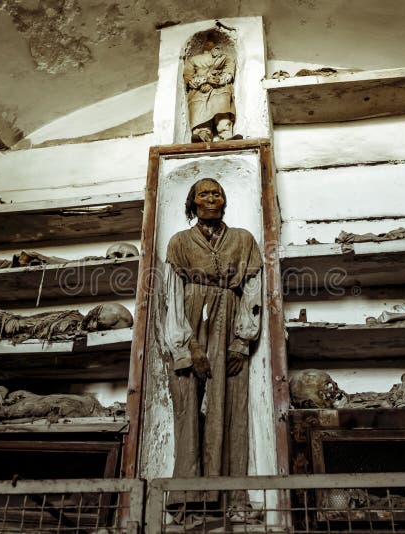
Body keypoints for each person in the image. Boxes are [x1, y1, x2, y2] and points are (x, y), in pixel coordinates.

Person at [162, 178, 262, 520]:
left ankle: (233, 502)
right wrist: (188, 346)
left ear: (224, 200)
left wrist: (241, 341)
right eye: (203, 193)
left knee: (230, 407)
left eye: (217, 192)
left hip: (230, 322)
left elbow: (253, 291)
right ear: (193, 202)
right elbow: (171, 298)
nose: (211, 198)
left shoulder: (243, 240)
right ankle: (186, 504)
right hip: (191, 322)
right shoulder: (179, 243)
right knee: (189, 409)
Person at [184, 41, 236, 142]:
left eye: (215, 46)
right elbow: (189, 78)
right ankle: (202, 135)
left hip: (219, 86)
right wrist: (205, 81)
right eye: (208, 43)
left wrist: (218, 81)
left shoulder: (225, 57)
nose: (212, 47)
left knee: (221, 106)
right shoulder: (193, 60)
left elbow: (229, 73)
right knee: (198, 107)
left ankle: (226, 135)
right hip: (199, 90)